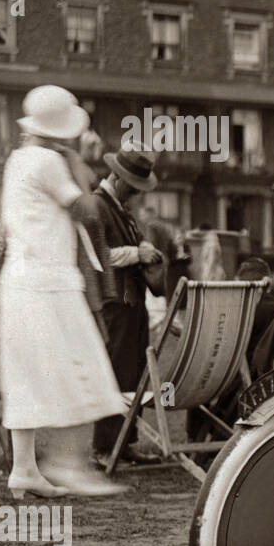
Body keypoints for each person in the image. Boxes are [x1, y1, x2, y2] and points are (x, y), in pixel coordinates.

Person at [0, 85, 127, 497]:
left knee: (26, 376)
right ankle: (68, 464)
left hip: (20, 280)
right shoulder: (50, 162)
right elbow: (89, 211)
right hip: (49, 283)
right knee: (81, 367)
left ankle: (24, 470)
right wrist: (80, 163)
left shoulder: (19, 158)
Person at [87, 143, 166, 466]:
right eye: (132, 187)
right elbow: (98, 256)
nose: (134, 194)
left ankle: (125, 442)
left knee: (134, 374)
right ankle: (104, 447)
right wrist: (137, 254)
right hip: (114, 304)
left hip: (132, 303)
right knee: (116, 374)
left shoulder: (118, 207)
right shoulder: (97, 205)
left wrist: (142, 245)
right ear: (117, 178)